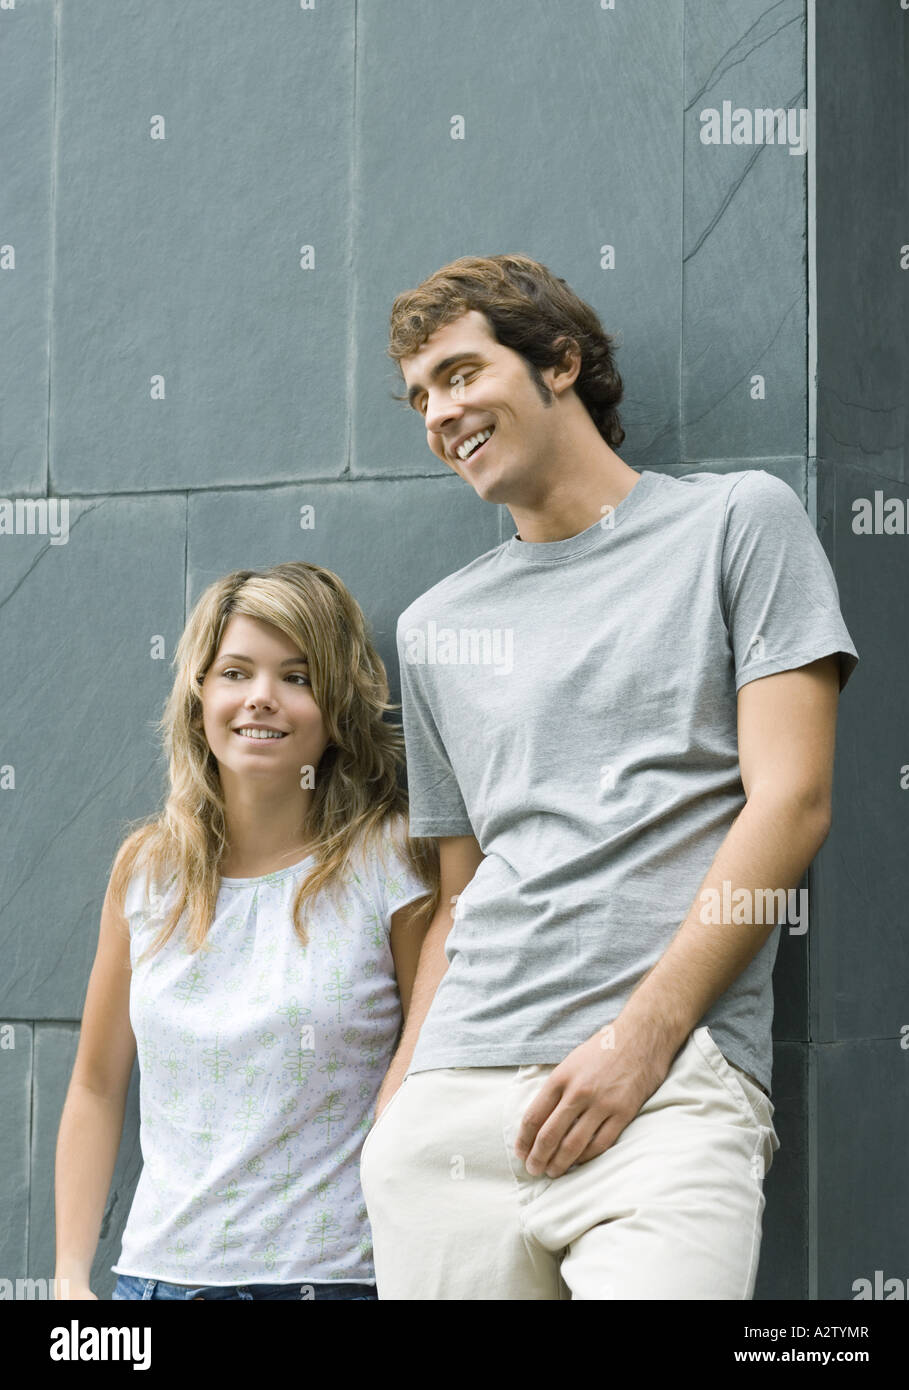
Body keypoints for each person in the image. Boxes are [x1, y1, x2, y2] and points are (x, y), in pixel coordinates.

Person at [358, 253, 860, 1300]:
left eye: (458, 374)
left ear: (559, 363)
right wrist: (400, 1103)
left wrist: (642, 1040)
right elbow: (460, 891)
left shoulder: (735, 523)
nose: (438, 414)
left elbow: (792, 803)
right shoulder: (436, 626)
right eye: (419, 398)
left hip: (669, 1091)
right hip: (455, 1113)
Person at [53, 562, 438, 1301]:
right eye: (236, 671)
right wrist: (71, 1276)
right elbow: (97, 1084)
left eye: (297, 676)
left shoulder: (390, 862)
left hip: (335, 1282)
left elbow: (429, 1073)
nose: (262, 696)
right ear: (200, 695)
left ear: (334, 707)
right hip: (157, 1284)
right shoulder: (147, 874)